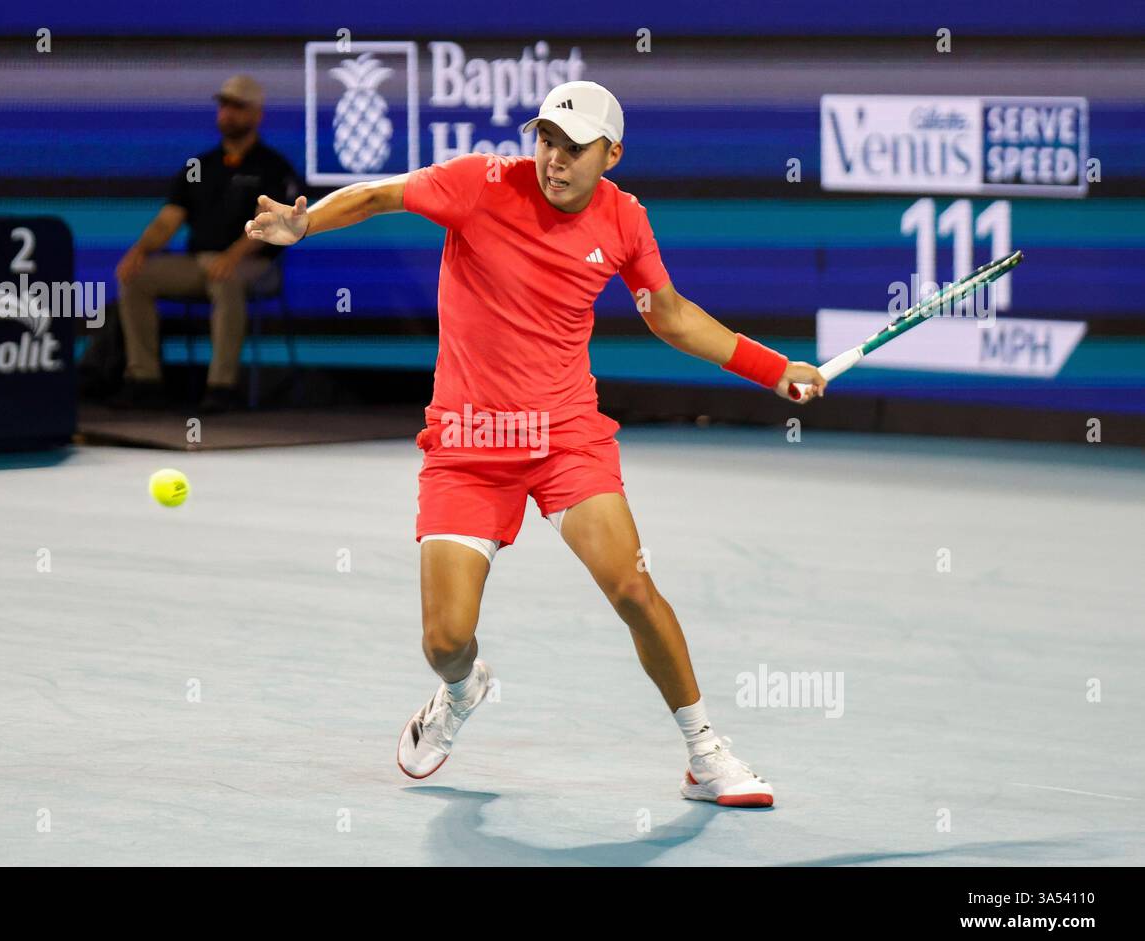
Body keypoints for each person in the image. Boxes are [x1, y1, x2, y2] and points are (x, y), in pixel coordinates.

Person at [246, 81, 826, 806]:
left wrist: (773, 371)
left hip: (565, 439)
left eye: (573, 148)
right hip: (466, 441)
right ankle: (460, 692)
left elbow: (670, 316)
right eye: (546, 140)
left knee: (633, 590)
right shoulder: (477, 184)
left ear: (610, 155)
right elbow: (377, 196)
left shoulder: (625, 221)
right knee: (444, 641)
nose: (554, 160)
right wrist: (306, 228)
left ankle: (706, 755)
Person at [111, 74, 304, 413]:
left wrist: (231, 256)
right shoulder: (199, 166)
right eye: (224, 105)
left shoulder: (273, 167)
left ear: (257, 114)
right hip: (198, 262)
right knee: (135, 278)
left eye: (237, 107)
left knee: (225, 279)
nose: (227, 113)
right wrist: (140, 250)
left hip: (254, 264)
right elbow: (167, 220)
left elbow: (271, 223)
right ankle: (145, 381)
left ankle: (221, 386)